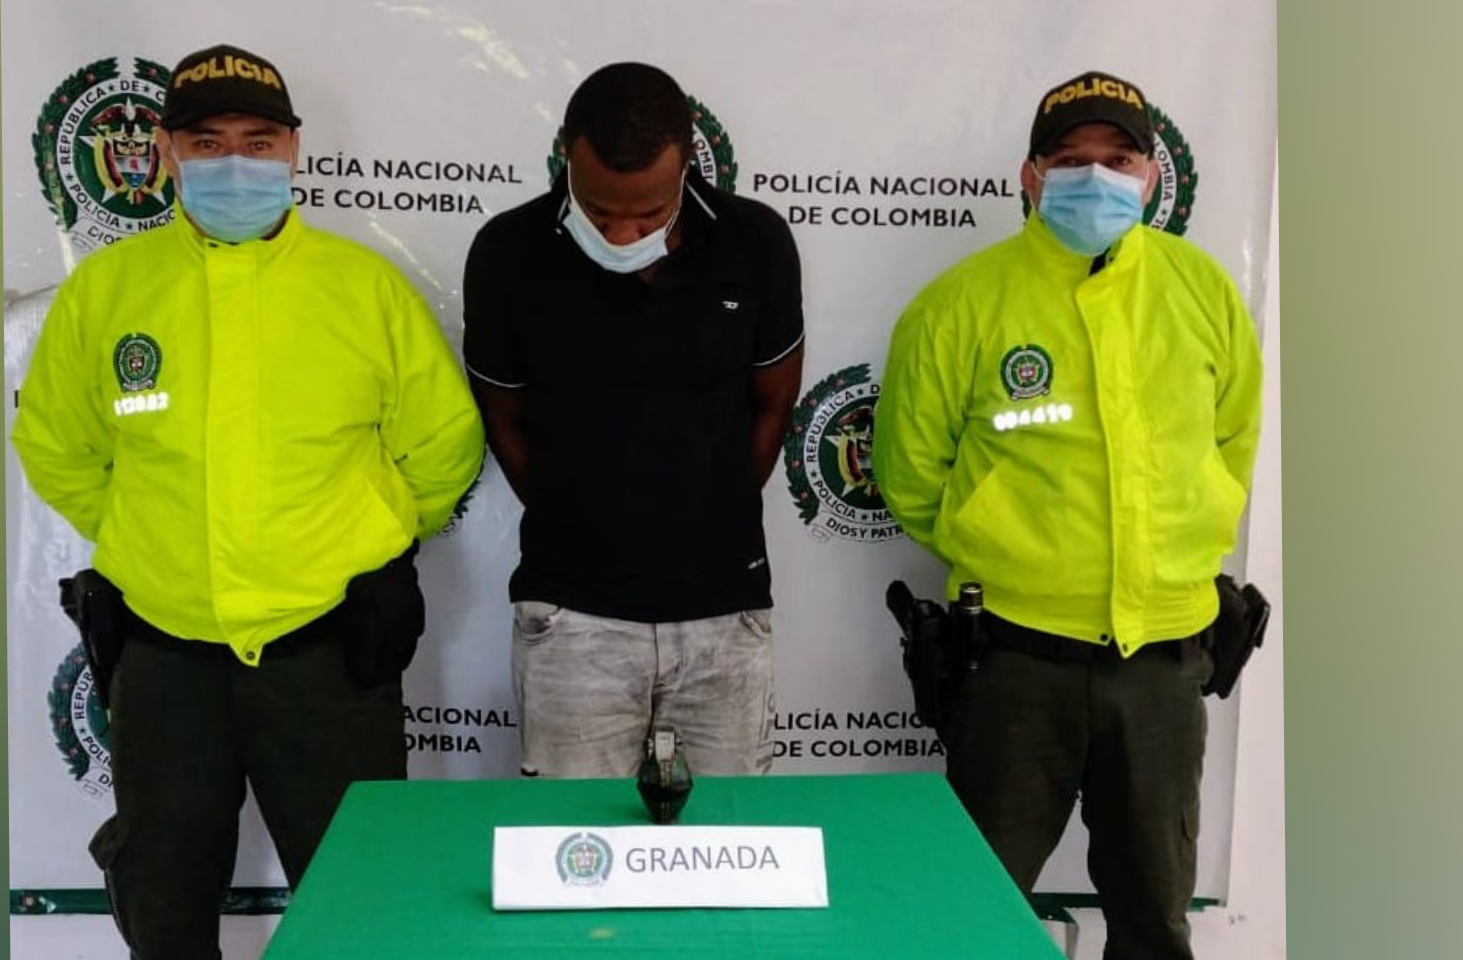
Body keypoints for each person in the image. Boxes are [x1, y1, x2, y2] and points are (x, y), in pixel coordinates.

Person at [11, 43, 483, 960]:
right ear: (165, 148)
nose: (235, 162)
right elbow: (57, 447)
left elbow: (443, 446)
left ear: (295, 150)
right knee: (163, 898)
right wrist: (154, 541)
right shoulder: (108, 291)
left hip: (327, 658)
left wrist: (360, 536)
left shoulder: (365, 291)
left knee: (362, 902)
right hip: (162, 659)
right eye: (209, 140)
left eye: (258, 141)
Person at [873, 70, 1263, 960]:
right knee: (974, 919)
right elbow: (912, 477)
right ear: (1030, 175)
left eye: (1117, 159)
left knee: (1155, 923)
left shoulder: (1200, 292)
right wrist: (1015, 548)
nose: (1096, 178)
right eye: (1071, 160)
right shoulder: (960, 305)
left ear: (1154, 176)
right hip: (1016, 664)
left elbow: (1230, 446)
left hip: (1164, 667)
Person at [462, 62, 805, 779]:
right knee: (572, 857)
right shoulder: (508, 252)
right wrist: (576, 513)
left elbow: (772, 403)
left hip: (725, 610)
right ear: (565, 155)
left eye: (648, 214)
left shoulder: (756, 243)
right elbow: (505, 417)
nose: (622, 234)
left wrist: (716, 505)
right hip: (570, 613)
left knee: (730, 850)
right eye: (598, 209)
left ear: (687, 165)